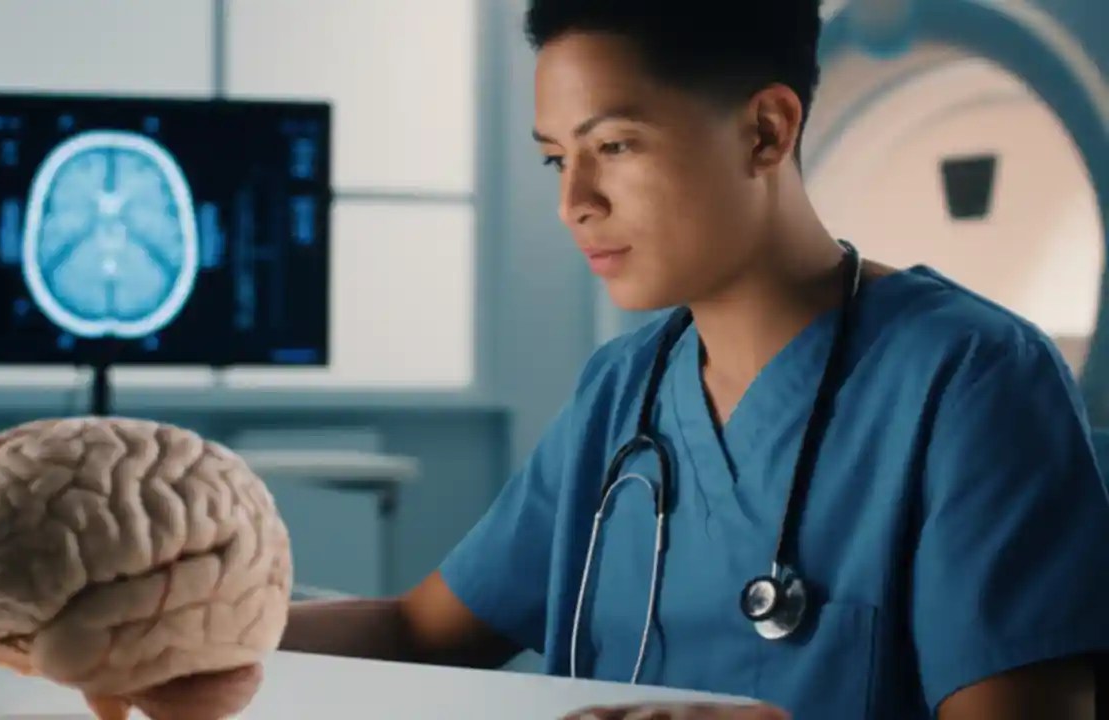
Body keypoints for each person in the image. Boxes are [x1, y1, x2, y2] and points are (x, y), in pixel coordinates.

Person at [277, 1, 1109, 718]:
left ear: (765, 130)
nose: (575, 203)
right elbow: (418, 631)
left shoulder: (970, 379)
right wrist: (184, 628)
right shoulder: (619, 392)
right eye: (555, 158)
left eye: (617, 146)